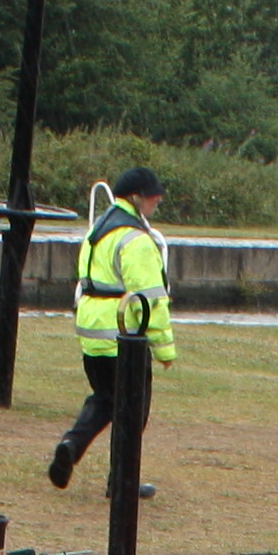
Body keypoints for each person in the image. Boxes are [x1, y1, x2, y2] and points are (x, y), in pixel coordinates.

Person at [47, 167, 175, 497]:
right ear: (136, 198)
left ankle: (71, 445)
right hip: (123, 337)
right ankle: (122, 483)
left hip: (91, 332)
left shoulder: (98, 230)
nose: (157, 201)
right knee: (133, 410)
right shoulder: (135, 239)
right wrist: (163, 348)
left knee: (105, 399)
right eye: (152, 196)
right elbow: (148, 299)